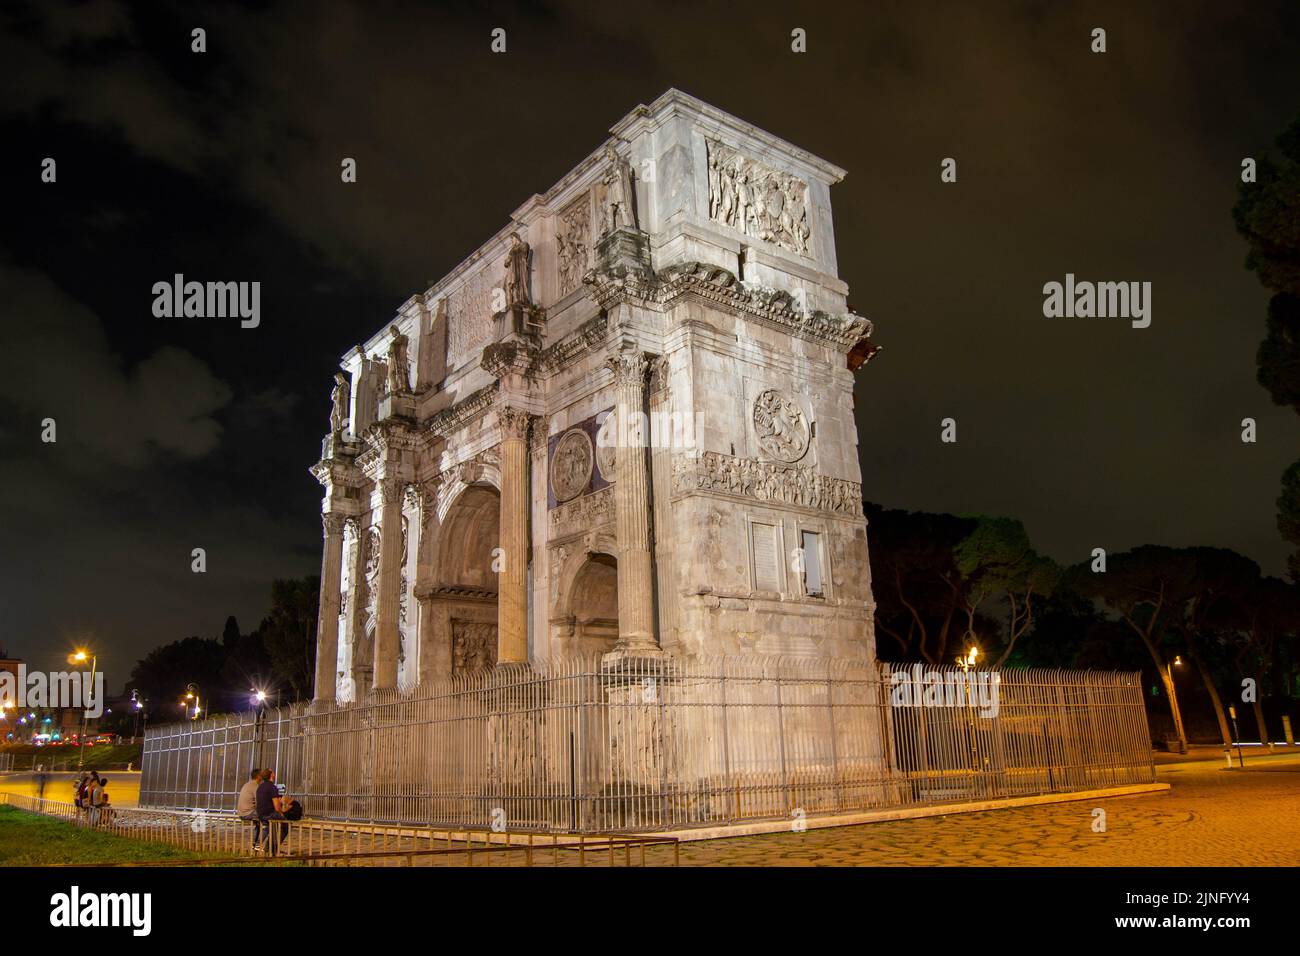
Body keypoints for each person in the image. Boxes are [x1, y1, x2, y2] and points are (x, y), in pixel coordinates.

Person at [254, 769, 288, 855]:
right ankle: (271, 848)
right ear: (271, 776)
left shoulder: (260, 787)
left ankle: (259, 844)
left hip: (260, 814)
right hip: (270, 814)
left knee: (270, 827)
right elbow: (277, 806)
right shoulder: (272, 787)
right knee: (285, 825)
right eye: (273, 772)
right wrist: (282, 813)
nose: (274, 773)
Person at [236, 768, 263, 850]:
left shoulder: (247, 784)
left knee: (259, 824)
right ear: (258, 776)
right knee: (267, 819)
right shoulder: (255, 786)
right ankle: (259, 844)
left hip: (241, 812)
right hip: (248, 813)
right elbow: (259, 802)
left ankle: (254, 844)